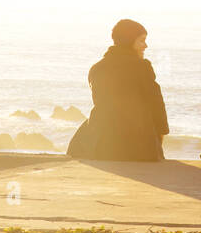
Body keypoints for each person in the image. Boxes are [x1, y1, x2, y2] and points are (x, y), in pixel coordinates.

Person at [68, 18, 168, 161]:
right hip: (137, 145)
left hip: (102, 143)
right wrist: (160, 136)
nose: (145, 45)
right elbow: (156, 104)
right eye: (141, 40)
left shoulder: (97, 68)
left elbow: (101, 105)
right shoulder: (141, 67)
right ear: (128, 42)